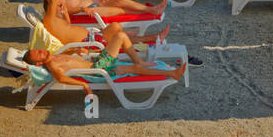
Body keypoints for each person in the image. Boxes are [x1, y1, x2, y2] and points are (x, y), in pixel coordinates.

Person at [22, 44, 187, 94]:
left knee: (119, 34)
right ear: (38, 64)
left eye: (38, 49)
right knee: (135, 68)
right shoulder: (52, 65)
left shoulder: (56, 56)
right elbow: (62, 79)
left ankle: (142, 64)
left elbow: (73, 59)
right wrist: (84, 85)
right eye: (38, 53)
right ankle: (172, 73)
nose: (41, 50)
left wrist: (80, 52)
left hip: (98, 63)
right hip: (98, 71)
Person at [40, 0, 166, 49]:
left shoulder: (57, 20)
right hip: (89, 43)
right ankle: (153, 38)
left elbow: (68, 26)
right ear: (51, 8)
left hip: (92, 36)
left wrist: (65, 12)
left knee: (117, 30)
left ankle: (153, 38)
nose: (61, 6)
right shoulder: (49, 20)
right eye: (58, 5)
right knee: (118, 33)